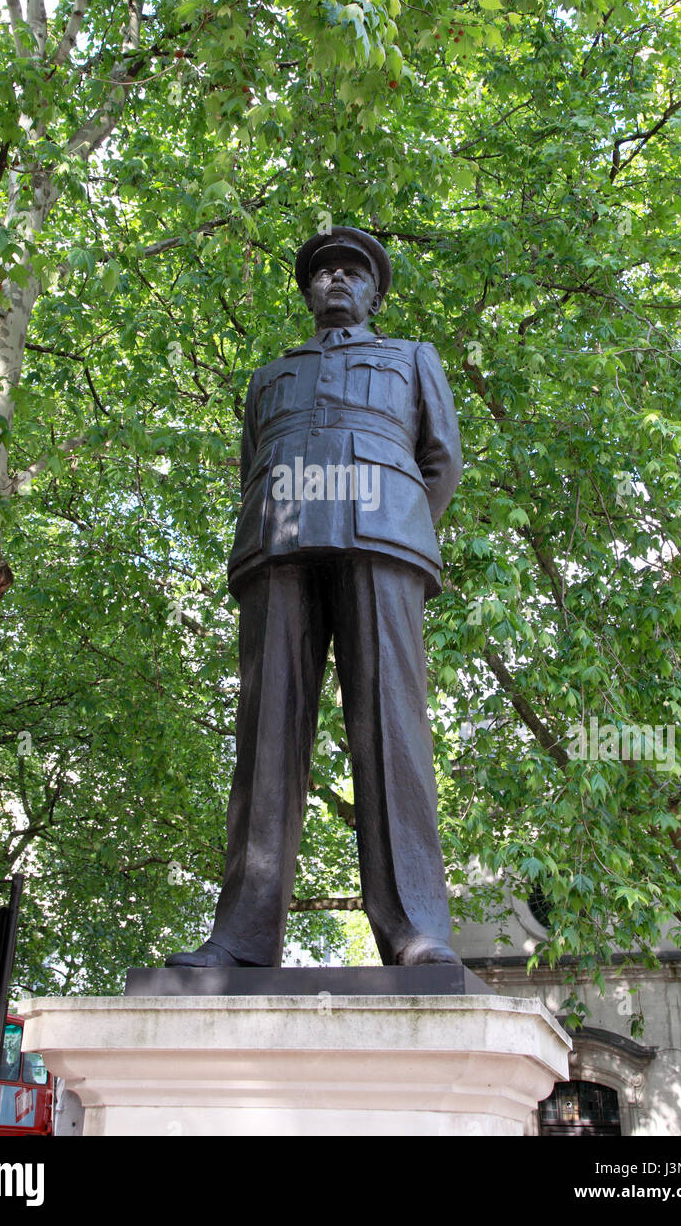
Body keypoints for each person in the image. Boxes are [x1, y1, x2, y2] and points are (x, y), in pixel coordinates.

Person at [166, 227, 463, 967]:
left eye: (352, 273)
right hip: (280, 540)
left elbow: (442, 462)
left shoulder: (412, 360)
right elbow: (252, 467)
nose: (336, 280)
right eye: (323, 271)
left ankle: (415, 931)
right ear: (307, 292)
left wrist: (395, 517)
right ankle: (239, 939)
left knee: (391, 729)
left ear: (373, 293)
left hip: (381, 535)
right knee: (266, 739)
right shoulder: (270, 377)